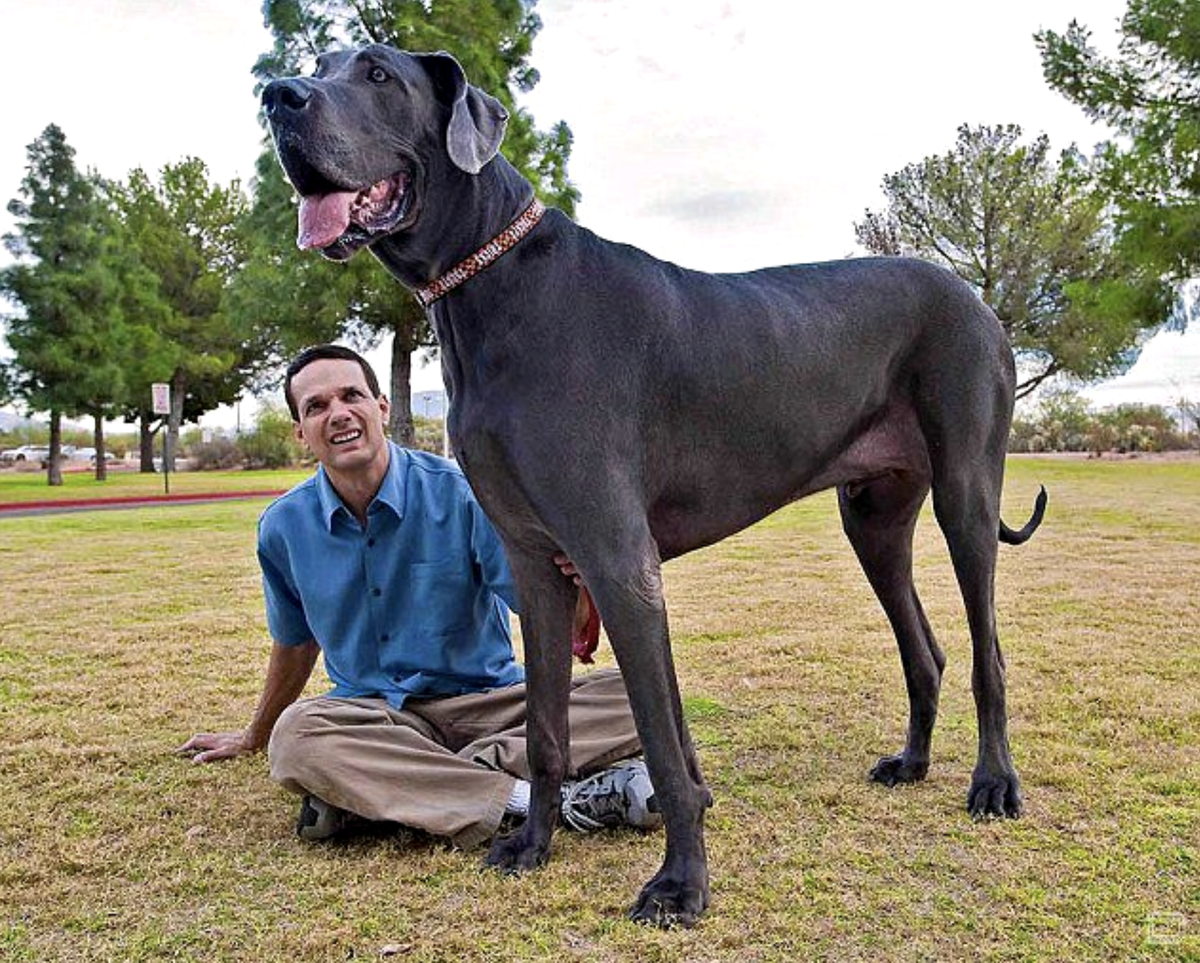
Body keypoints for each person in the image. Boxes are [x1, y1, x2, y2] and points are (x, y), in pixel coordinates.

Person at [180, 344, 659, 848]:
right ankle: (536, 799)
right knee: (296, 737)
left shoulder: (465, 493)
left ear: (381, 407)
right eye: (316, 407)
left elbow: (553, 614)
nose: (338, 413)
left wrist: (581, 574)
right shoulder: (283, 527)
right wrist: (257, 733)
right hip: (377, 719)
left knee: (639, 693)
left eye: (351, 396)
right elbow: (296, 644)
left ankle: (389, 794)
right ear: (300, 432)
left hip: (491, 704)